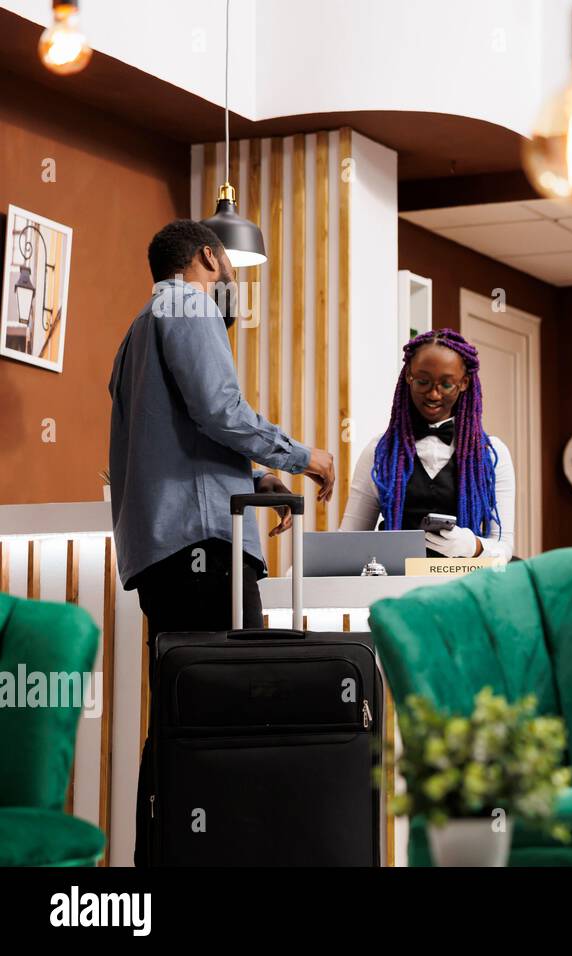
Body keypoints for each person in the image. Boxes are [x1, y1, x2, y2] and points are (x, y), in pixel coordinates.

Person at [109, 219, 334, 865]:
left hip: (163, 551)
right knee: (226, 714)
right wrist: (301, 455)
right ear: (210, 255)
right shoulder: (189, 302)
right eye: (228, 263)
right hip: (203, 545)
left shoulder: (137, 331)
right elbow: (218, 408)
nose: (234, 277)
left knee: (181, 715)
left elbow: (183, 430)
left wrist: (256, 476)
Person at [341, 328, 514, 561]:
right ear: (408, 378)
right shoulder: (380, 452)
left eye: (446, 384)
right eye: (423, 382)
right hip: (397, 586)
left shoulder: (491, 454)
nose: (433, 394)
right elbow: (350, 539)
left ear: (464, 383)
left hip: (463, 587)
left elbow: (503, 547)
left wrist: (473, 546)